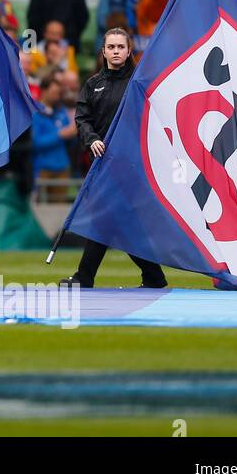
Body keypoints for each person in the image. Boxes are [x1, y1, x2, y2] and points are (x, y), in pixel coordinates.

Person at [60, 27, 168, 288]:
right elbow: (82, 119)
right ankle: (153, 276)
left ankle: (85, 277)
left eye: (121, 47)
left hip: (132, 165)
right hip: (103, 165)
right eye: (111, 47)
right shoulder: (92, 84)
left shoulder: (139, 83)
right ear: (104, 51)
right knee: (116, 220)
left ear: (129, 50)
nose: (116, 51)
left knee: (108, 218)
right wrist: (92, 139)